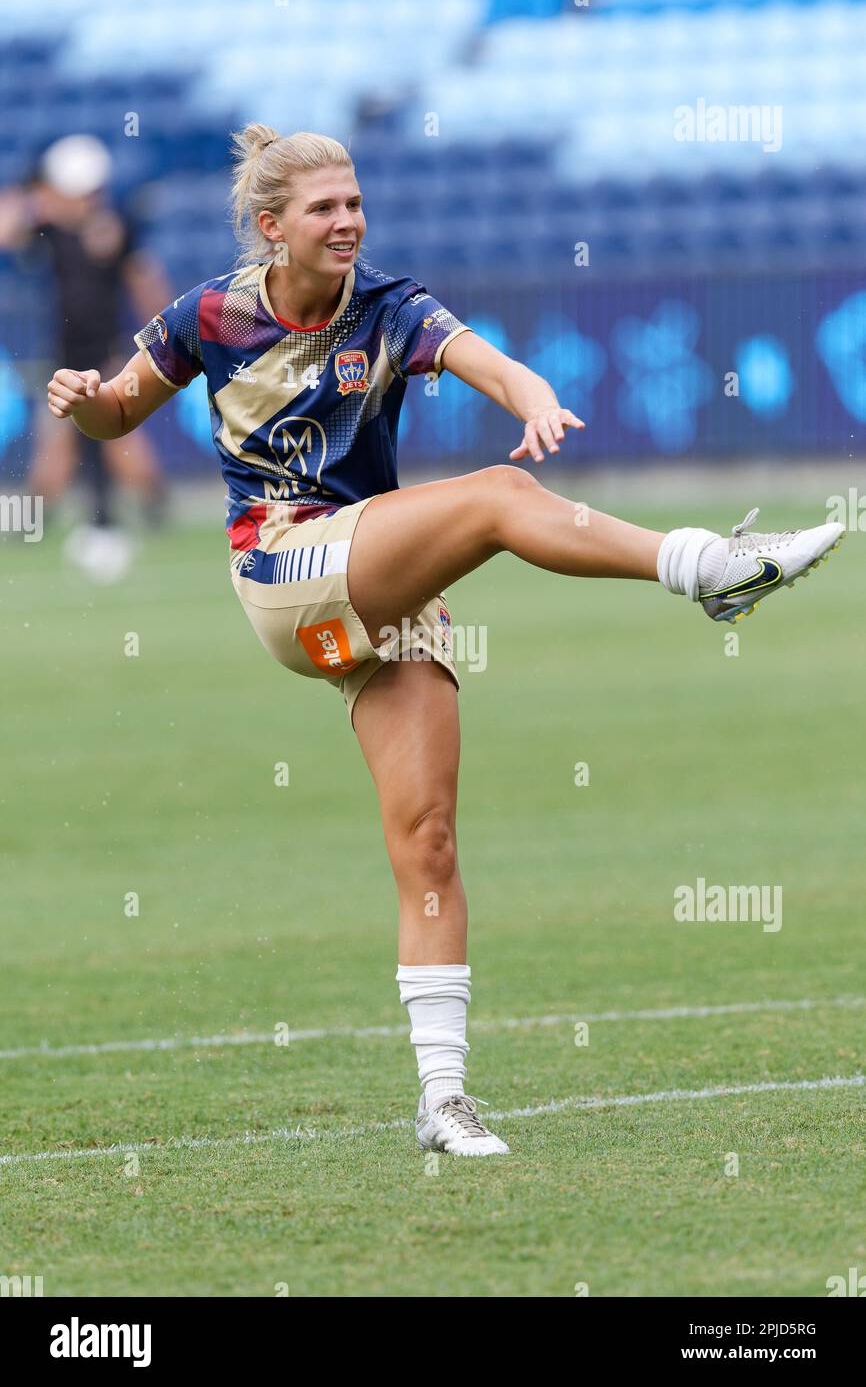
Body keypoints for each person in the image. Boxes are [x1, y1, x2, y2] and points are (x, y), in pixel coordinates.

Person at [46, 125, 844, 1157]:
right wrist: (89, 404)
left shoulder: (388, 304)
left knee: (426, 841)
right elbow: (118, 415)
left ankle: (442, 1095)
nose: (347, 221)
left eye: (354, 201)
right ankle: (704, 570)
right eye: (324, 207)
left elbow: (484, 360)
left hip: (376, 585)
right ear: (269, 226)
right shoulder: (209, 313)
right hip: (282, 573)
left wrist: (533, 394)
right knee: (500, 497)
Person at [0, 134, 170, 579]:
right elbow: (6, 229)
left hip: (108, 353)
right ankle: (35, 525)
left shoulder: (116, 228)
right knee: (54, 450)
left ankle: (151, 510)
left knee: (121, 442)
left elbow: (144, 281)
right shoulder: (49, 231)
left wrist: (162, 335)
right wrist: (31, 187)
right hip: (63, 357)